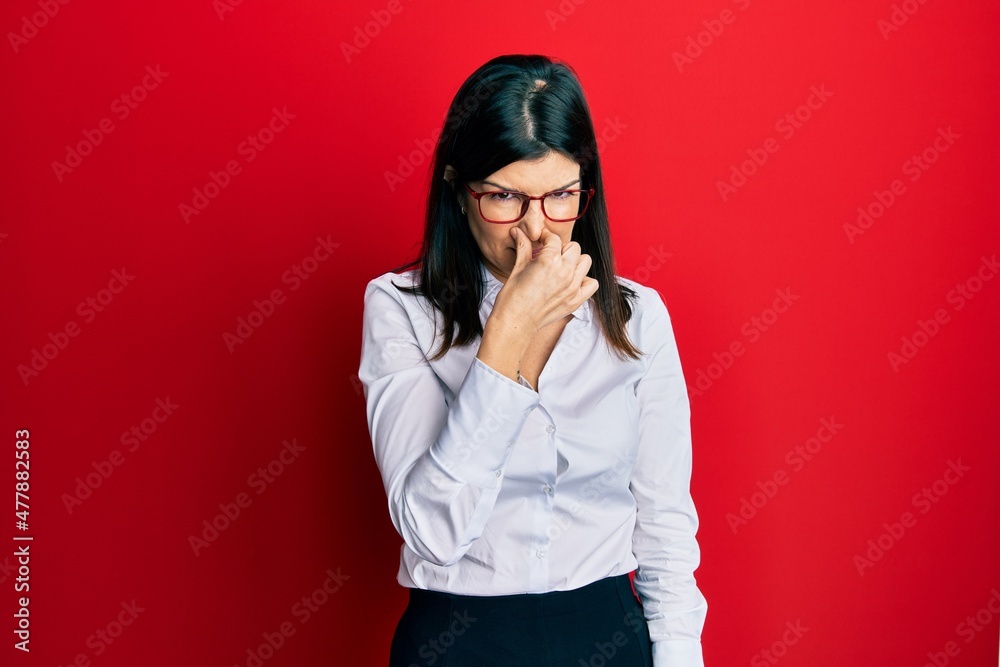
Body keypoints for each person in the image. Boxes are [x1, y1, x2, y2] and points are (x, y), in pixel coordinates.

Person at [358, 54, 707, 667]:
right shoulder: (398, 309)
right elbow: (434, 533)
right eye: (504, 197)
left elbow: (664, 523)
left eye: (560, 196)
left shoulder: (638, 316)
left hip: (606, 630)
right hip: (457, 638)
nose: (535, 230)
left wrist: (679, 654)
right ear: (456, 187)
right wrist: (511, 328)